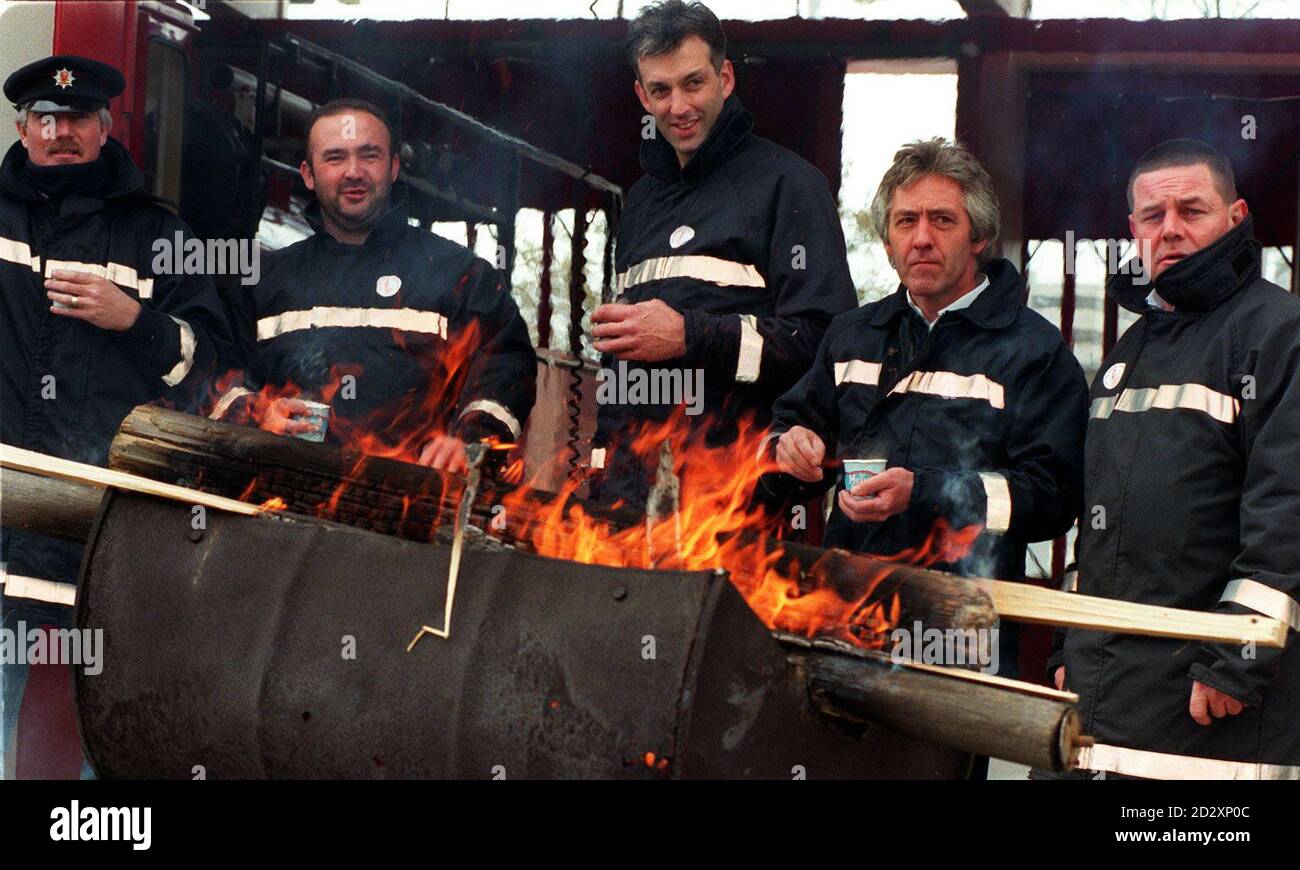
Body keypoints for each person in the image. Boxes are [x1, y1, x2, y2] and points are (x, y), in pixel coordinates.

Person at [763, 138, 1088, 681]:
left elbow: (1054, 497)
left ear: (979, 235)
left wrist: (925, 492)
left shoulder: (1034, 351)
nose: (921, 239)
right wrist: (788, 448)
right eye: (905, 221)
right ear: (887, 242)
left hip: (959, 630)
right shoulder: (850, 334)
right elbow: (787, 435)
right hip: (845, 613)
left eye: (943, 220)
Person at [1, 55, 232, 778]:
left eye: (77, 119)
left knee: (116, 744)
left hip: (109, 542)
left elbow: (212, 380)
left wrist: (131, 318)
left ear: (106, 127)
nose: (60, 131)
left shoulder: (161, 238)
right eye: (46, 118)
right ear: (21, 127)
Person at [1047, 139, 1300, 778]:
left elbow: (1289, 510)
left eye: (1193, 211)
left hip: (1209, 707)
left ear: (1237, 218)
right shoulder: (1128, 351)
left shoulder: (1280, 333)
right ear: (1133, 231)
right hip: (1100, 696)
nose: (1172, 231)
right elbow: (1098, 517)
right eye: (1154, 218)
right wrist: (1066, 641)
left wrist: (1237, 657)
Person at [588, 0, 857, 509]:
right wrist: (604, 473)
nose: (679, 106)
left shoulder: (791, 185)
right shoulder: (640, 201)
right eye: (661, 90)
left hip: (734, 502)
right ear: (642, 95)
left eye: (694, 83)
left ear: (725, 78)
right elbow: (624, 364)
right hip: (630, 500)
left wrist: (689, 335)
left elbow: (825, 345)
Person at [215, 99, 535, 472]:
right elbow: (219, 372)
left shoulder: (460, 274)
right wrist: (260, 412)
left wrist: (469, 441)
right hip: (283, 496)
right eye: (335, 158)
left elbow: (507, 362)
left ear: (393, 166)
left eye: (369, 156)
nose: (354, 172)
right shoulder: (264, 280)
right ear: (308, 174)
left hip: (418, 505)